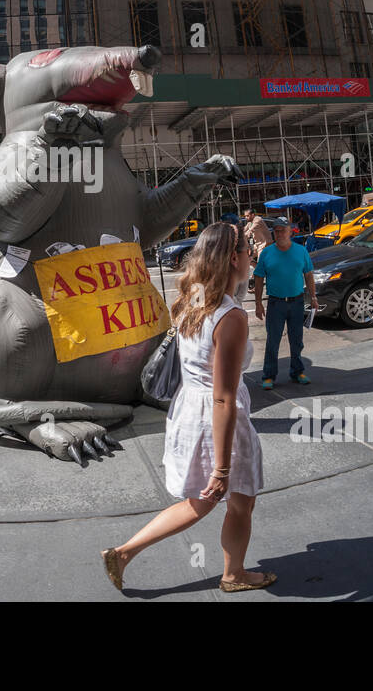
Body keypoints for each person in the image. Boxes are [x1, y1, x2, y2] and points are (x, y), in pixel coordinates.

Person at [101, 222, 271, 593]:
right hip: (218, 415)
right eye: (246, 252)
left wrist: (251, 238)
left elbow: (232, 289)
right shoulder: (231, 318)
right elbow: (224, 395)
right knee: (234, 501)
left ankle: (126, 553)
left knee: (203, 501)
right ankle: (233, 574)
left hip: (189, 409)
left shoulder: (194, 297)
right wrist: (222, 466)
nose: (250, 257)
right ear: (232, 258)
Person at [252, 216, 317, 390]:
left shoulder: (300, 251)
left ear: (290, 231)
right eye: (276, 230)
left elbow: (308, 274)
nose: (279, 233)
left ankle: (297, 372)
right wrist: (258, 303)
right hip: (275, 304)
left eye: (282, 230)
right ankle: (268, 376)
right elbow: (258, 278)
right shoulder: (266, 253)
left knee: (297, 341)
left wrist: (314, 297)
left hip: (296, 302)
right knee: (272, 341)